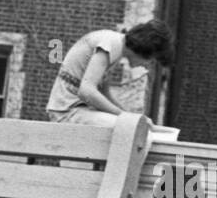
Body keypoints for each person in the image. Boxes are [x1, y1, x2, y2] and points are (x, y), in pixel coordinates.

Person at [46, 20, 176, 128]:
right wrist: (126, 118)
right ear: (144, 50)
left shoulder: (115, 46)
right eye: (151, 60)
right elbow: (87, 91)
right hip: (67, 112)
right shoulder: (110, 44)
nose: (147, 65)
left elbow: (103, 93)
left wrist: (132, 117)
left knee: (133, 125)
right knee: (130, 129)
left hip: (79, 111)